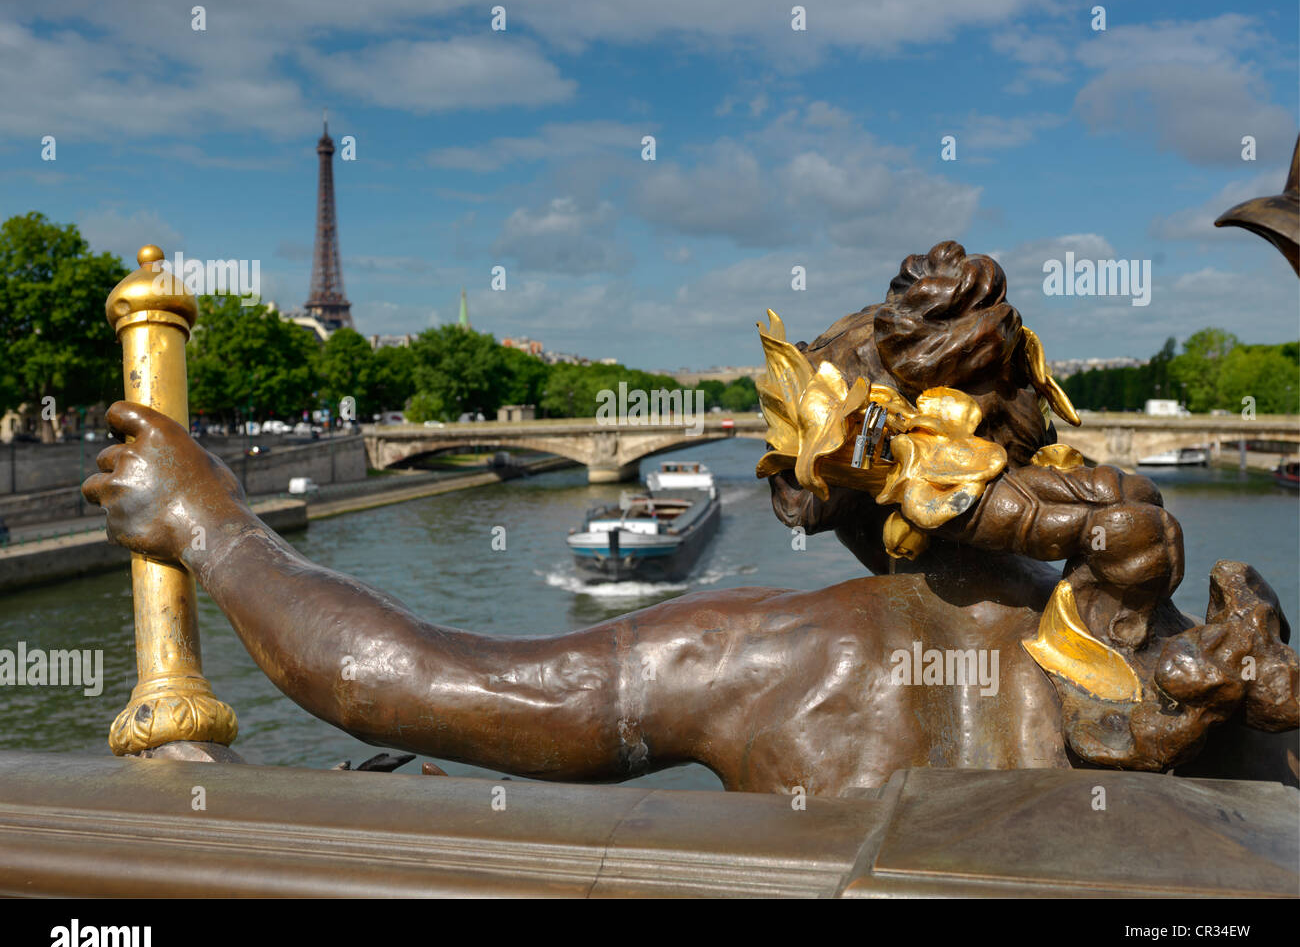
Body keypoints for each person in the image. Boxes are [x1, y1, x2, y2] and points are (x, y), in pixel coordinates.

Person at [83, 243, 1298, 793]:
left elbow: (397, 684)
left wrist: (212, 524)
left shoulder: (773, 654)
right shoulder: (1177, 657)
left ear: (830, 481)